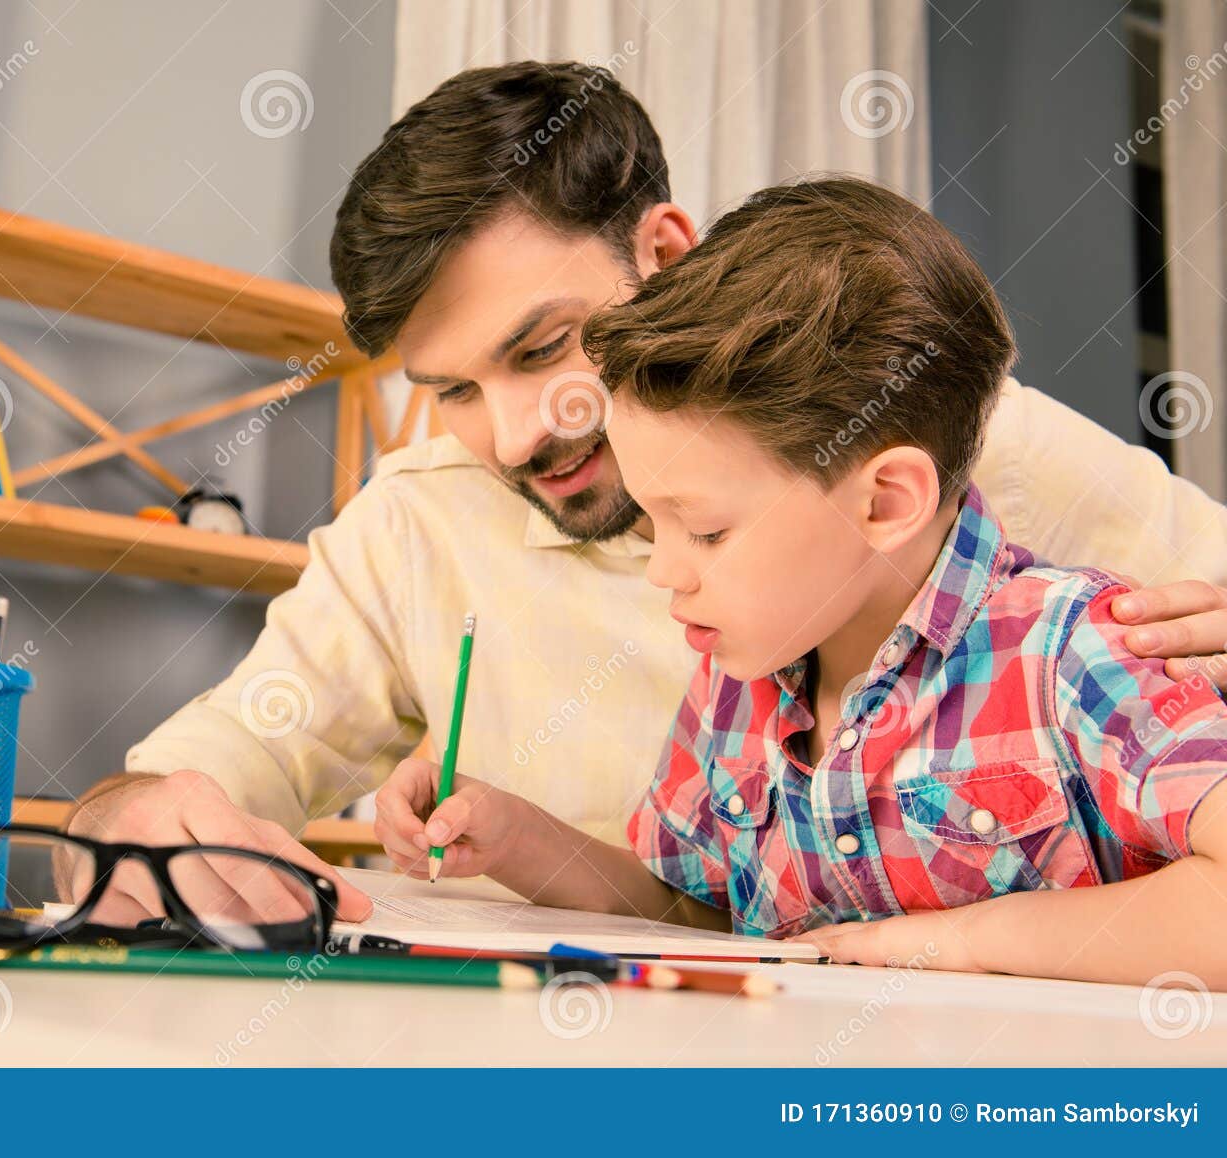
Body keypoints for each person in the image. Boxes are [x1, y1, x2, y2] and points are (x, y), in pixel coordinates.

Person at [74, 62, 1227, 926]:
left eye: (541, 350)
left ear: (665, 255)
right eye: (453, 392)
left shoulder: (947, 430)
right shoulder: (415, 520)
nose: (517, 436)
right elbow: (220, 756)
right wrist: (124, 815)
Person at [373, 176, 1227, 988]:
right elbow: (695, 912)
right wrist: (521, 840)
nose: (665, 568)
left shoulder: (1077, 652)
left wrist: (956, 943)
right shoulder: (736, 682)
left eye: (705, 529)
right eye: (653, 518)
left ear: (886, 501)